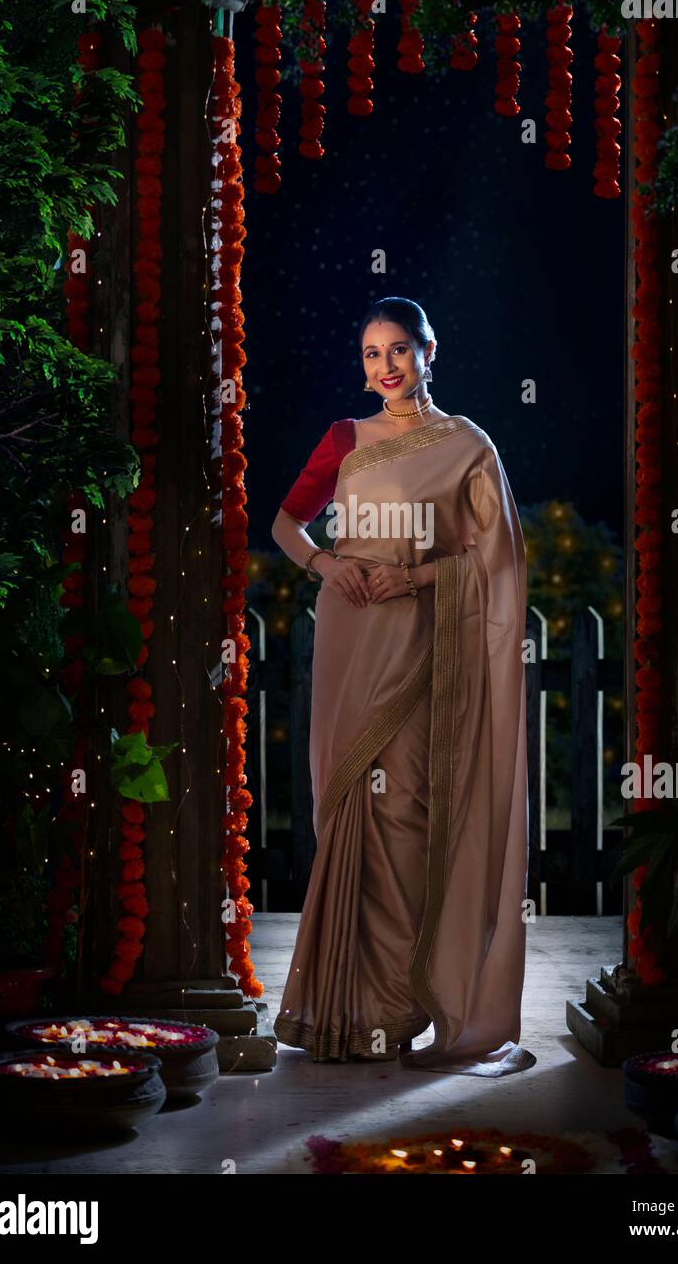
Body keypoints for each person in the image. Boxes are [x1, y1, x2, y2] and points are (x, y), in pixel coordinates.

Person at [270, 296, 534, 1076]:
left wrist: (415, 577)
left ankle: (398, 1006)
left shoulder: (468, 448)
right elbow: (287, 524)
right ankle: (344, 1014)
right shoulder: (345, 441)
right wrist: (328, 563)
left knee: (410, 808)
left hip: (427, 646)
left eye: (397, 350)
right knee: (349, 804)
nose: (384, 366)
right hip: (353, 636)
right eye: (370, 353)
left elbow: (496, 564)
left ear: (429, 351)